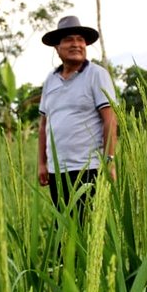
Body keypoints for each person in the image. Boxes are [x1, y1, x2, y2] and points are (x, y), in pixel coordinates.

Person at [37, 15, 117, 214]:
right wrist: (41, 163)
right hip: (57, 171)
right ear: (57, 47)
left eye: (80, 40)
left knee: (87, 226)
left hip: (88, 169)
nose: (76, 44)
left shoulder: (97, 74)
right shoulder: (50, 80)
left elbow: (110, 120)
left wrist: (109, 161)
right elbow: (44, 125)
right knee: (63, 226)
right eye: (69, 40)